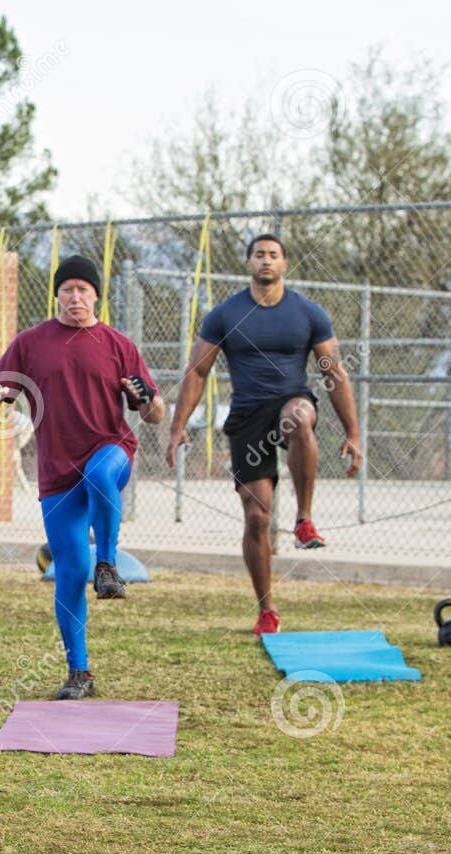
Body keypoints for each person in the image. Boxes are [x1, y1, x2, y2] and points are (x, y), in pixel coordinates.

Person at [0, 255, 165, 700]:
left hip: (110, 447)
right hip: (57, 472)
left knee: (101, 474)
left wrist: (144, 400)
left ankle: (107, 564)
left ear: (96, 295)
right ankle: (78, 672)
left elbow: (156, 413)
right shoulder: (30, 343)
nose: (75, 296)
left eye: (84, 288)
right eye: (68, 289)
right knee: (68, 572)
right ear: (57, 295)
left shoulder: (118, 344)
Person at [165, 233, 363, 636]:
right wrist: (178, 426)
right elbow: (199, 371)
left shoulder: (309, 313)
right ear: (249, 263)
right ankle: (266, 609)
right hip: (247, 417)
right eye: (259, 255)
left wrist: (353, 432)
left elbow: (333, 373)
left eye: (273, 255)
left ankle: (305, 519)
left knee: (301, 414)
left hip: (290, 401)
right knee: (257, 517)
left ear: (285, 264)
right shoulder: (224, 314)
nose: (266, 261)